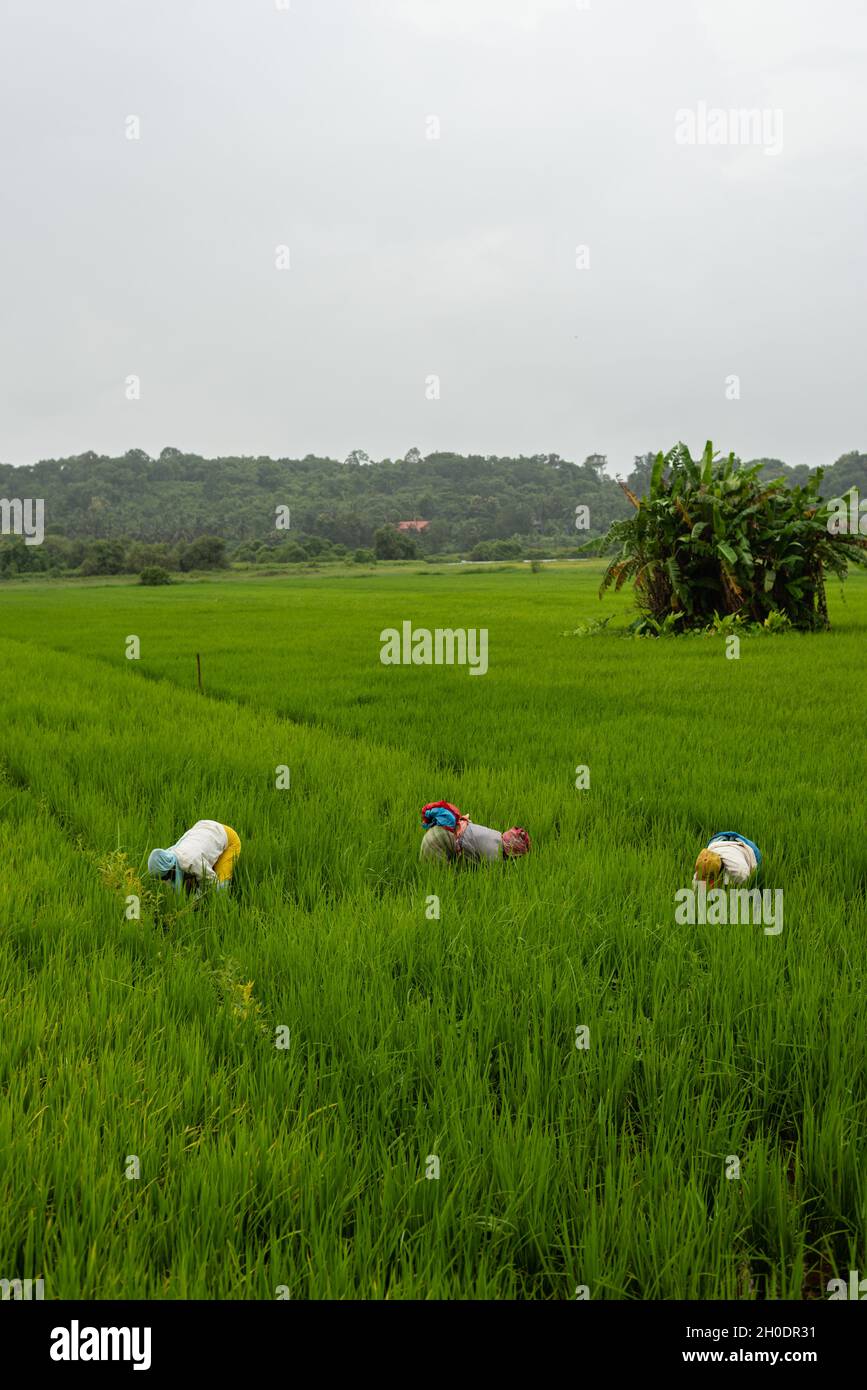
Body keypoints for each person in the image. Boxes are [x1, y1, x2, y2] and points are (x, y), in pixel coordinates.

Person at [419, 800, 531, 864]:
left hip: (439, 833)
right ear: (513, 852)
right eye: (517, 857)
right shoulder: (495, 856)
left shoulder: (496, 835)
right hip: (437, 841)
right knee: (438, 881)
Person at [147, 820, 241, 892]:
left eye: (164, 877)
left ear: (170, 869)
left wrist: (195, 900)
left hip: (229, 839)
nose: (165, 880)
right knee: (193, 878)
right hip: (205, 829)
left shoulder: (191, 861)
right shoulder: (168, 857)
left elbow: (211, 882)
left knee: (219, 888)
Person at [693, 831, 761, 887]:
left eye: (710, 879)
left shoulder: (739, 871)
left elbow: (745, 886)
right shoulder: (701, 866)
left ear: (721, 871)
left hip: (747, 847)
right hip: (718, 840)